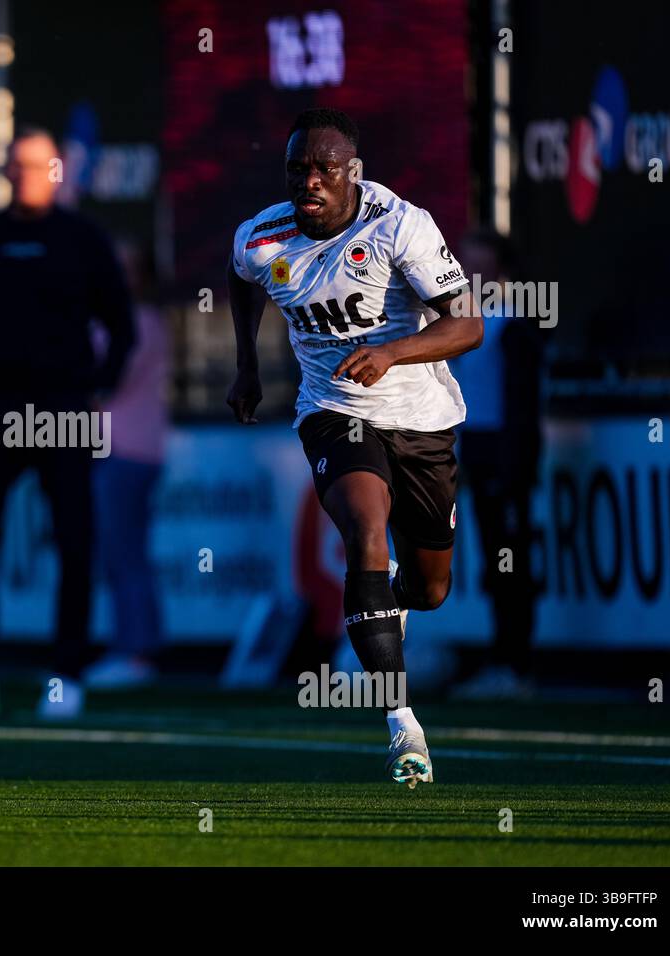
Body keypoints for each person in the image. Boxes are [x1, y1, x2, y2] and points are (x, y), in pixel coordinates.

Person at [226, 108, 482, 787]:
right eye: (297, 170)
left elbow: (468, 326)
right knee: (365, 532)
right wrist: (247, 367)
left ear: (352, 173)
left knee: (430, 589)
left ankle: (382, 603)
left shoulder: (400, 225)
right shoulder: (260, 237)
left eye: (324, 170)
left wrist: (392, 352)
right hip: (332, 411)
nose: (309, 182)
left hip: (421, 419)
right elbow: (244, 282)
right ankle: (403, 725)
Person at [0, 128, 135, 721]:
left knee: (74, 540)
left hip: (63, 407)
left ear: (57, 171)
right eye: (16, 165)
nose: (25, 175)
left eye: (37, 165)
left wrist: (96, 387)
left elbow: (122, 326)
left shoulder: (82, 239)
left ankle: (66, 677)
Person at [448, 230, 542, 700]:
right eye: (467, 265)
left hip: (506, 453)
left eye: (481, 265)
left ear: (501, 268)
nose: (471, 274)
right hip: (480, 449)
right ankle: (502, 657)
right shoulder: (465, 318)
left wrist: (513, 466)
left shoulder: (512, 320)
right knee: (493, 560)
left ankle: (516, 663)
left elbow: (522, 404)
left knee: (511, 560)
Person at [84, 240, 170, 690]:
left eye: (129, 269)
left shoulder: (137, 323)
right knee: (125, 553)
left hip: (126, 451)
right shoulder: (130, 322)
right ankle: (139, 646)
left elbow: (104, 381)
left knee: (124, 554)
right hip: (127, 451)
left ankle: (135, 652)